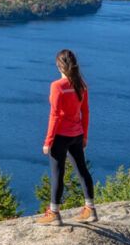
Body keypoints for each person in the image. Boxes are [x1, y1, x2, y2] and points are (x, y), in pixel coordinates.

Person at [36, 49, 96, 225]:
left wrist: (48, 141)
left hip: (61, 136)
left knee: (57, 174)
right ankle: (90, 209)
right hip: (77, 135)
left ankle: (54, 213)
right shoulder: (81, 85)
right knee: (82, 171)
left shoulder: (57, 86)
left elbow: (54, 115)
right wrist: (84, 136)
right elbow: (85, 112)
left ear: (59, 65)